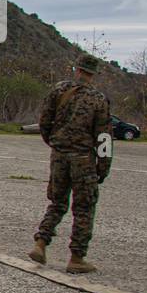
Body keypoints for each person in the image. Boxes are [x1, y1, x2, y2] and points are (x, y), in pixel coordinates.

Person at [30, 55, 112, 273]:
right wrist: (103, 167)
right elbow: (104, 137)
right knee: (84, 208)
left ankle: (41, 242)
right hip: (83, 158)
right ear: (93, 73)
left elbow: (44, 122)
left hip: (59, 155)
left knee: (57, 202)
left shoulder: (58, 90)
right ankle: (76, 257)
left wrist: (54, 143)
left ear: (77, 69)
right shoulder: (98, 99)